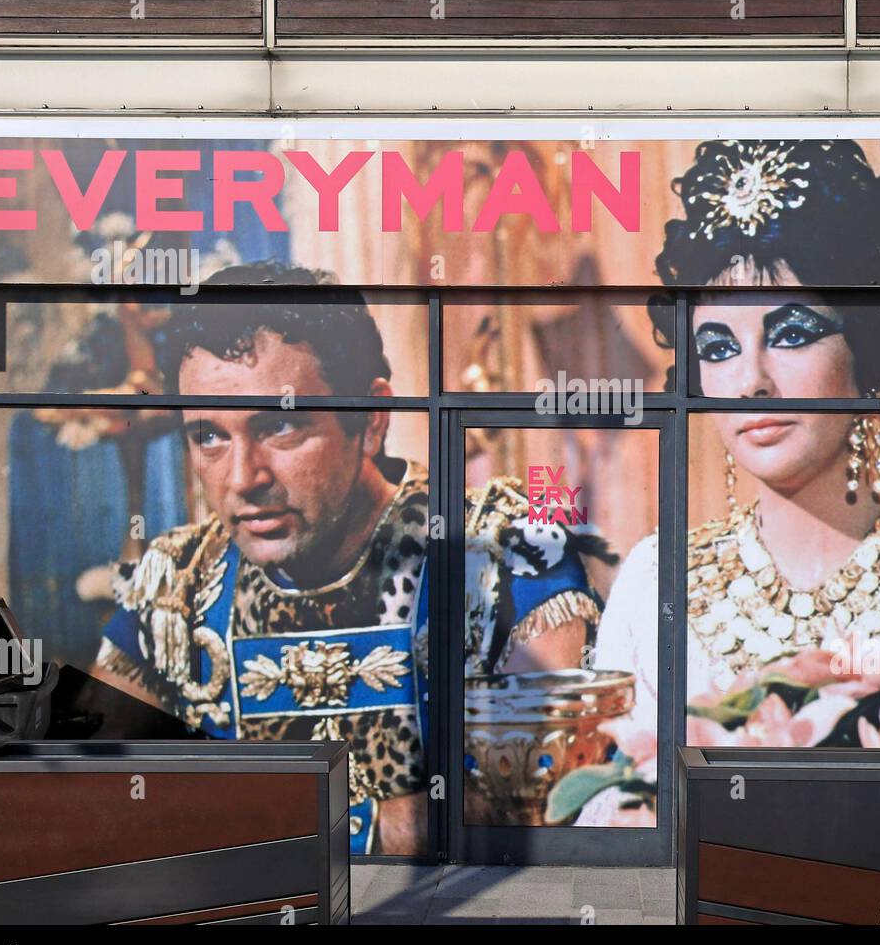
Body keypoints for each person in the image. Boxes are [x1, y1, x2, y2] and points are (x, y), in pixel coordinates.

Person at [580, 139, 880, 825]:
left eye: (793, 333)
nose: (751, 380)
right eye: (718, 348)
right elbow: (603, 811)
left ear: (864, 352)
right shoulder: (656, 579)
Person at [96, 263, 601, 854]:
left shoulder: (507, 554)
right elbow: (102, 801)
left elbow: (551, 802)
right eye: (208, 435)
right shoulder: (176, 582)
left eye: (279, 427)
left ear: (370, 416)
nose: (242, 479)